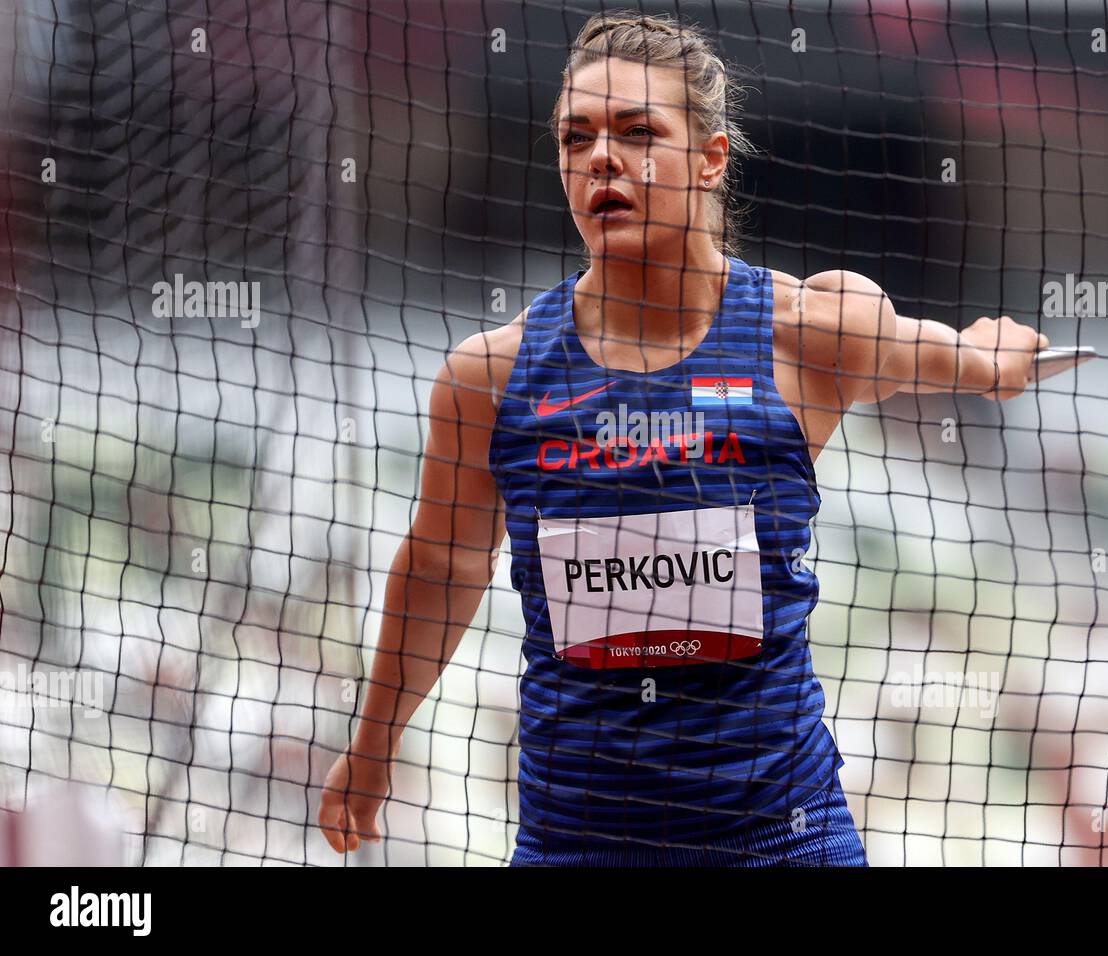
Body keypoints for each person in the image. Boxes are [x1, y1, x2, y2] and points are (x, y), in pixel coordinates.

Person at [319, 11, 1047, 866]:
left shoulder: (810, 330)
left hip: (783, 839)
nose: (601, 159)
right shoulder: (490, 375)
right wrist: (372, 749)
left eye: (637, 133)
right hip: (576, 842)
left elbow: (960, 356)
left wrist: (994, 359)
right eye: (576, 137)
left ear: (710, 157)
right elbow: (441, 568)